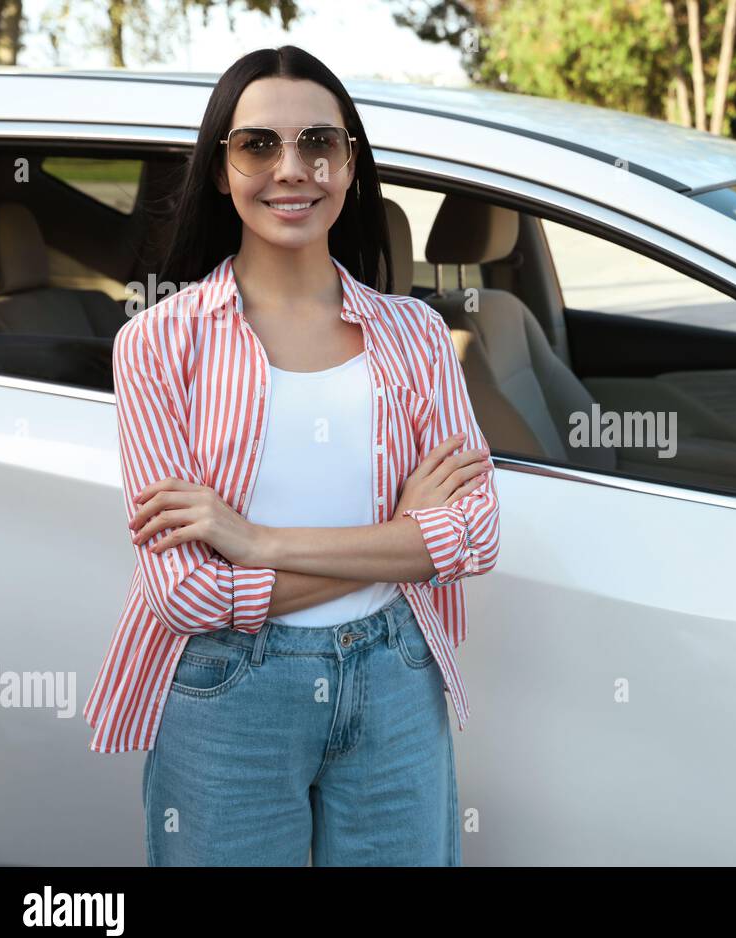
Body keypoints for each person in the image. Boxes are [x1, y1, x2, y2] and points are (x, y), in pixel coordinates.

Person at [80, 45, 500, 866]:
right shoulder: (159, 346)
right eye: (258, 146)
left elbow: (476, 537)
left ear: (349, 162)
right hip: (228, 693)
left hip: (395, 676)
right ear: (220, 168)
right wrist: (399, 542)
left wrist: (260, 541)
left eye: (319, 143)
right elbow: (186, 596)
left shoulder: (413, 336)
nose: (292, 170)